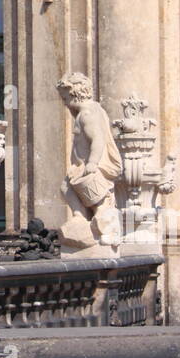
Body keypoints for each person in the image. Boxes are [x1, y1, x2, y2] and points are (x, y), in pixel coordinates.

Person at [56, 72, 122, 248]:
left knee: (98, 202)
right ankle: (80, 216)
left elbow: (98, 139)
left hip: (89, 166)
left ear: (74, 93)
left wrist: (92, 163)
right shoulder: (93, 109)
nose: (64, 102)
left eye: (65, 98)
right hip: (82, 164)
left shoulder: (87, 114)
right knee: (66, 188)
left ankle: (100, 227)